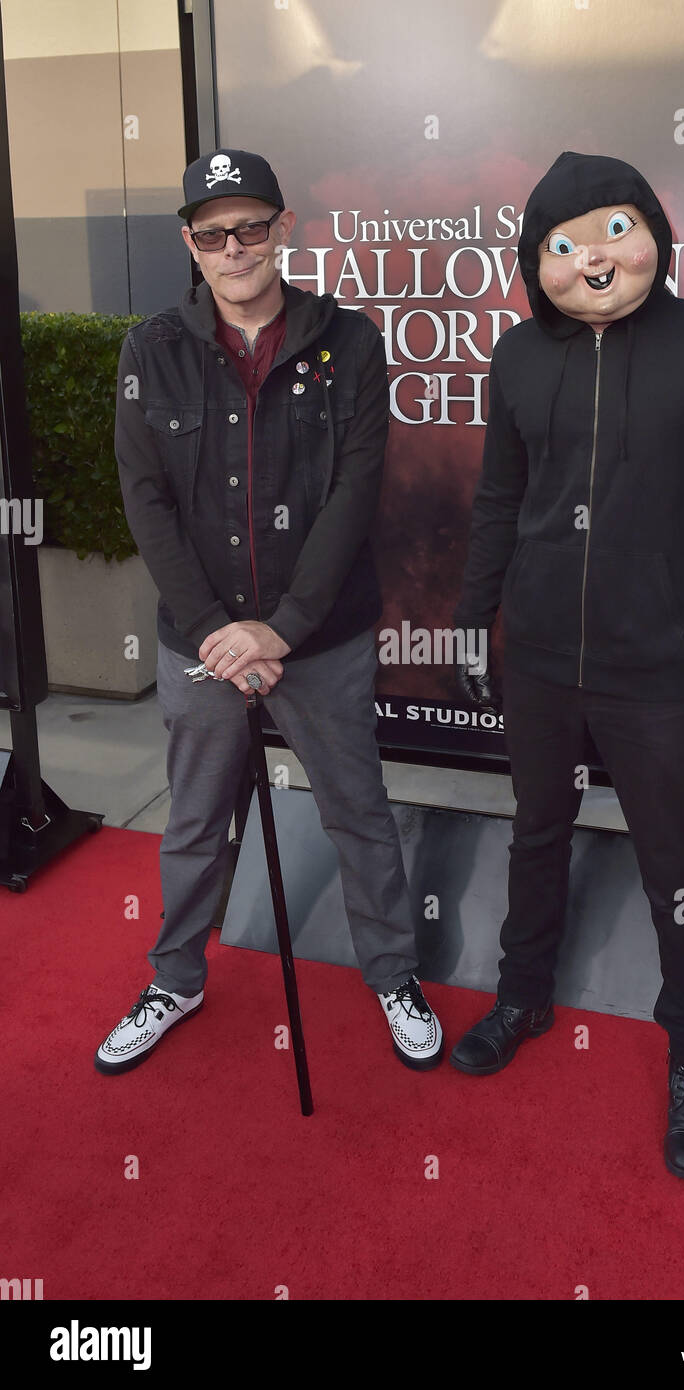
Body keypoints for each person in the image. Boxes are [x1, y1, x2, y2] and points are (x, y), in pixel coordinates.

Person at [450, 151, 684, 1181]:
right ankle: (521, 996)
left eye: (611, 228)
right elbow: (496, 506)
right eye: (562, 243)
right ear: (535, 262)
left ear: (650, 229)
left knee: (673, 872)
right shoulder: (517, 357)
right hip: (544, 659)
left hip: (659, 669)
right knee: (535, 836)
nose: (591, 257)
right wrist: (473, 623)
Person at [96, 148, 443, 1076]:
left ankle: (393, 975)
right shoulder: (150, 350)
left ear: (282, 229)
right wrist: (220, 631)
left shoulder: (350, 340)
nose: (234, 246)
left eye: (252, 226)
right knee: (194, 823)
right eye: (213, 233)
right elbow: (146, 502)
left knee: (358, 812)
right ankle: (175, 977)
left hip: (319, 640)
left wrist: (281, 628)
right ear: (191, 245)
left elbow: (354, 494)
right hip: (199, 641)